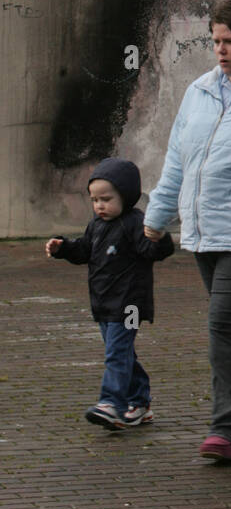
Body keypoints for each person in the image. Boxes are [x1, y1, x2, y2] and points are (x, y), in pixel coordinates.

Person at [142, 0, 231, 461]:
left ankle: (229, 427)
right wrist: (157, 219)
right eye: (215, 41)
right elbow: (179, 159)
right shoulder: (200, 90)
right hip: (203, 231)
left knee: (224, 322)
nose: (220, 51)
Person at [46, 158, 174, 429]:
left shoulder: (135, 222)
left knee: (117, 353)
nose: (99, 206)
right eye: (94, 200)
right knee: (122, 353)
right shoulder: (97, 225)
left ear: (126, 196)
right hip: (104, 303)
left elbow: (153, 250)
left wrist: (160, 238)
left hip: (130, 305)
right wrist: (64, 248)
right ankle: (140, 401)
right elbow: (84, 251)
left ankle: (111, 403)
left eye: (106, 199)